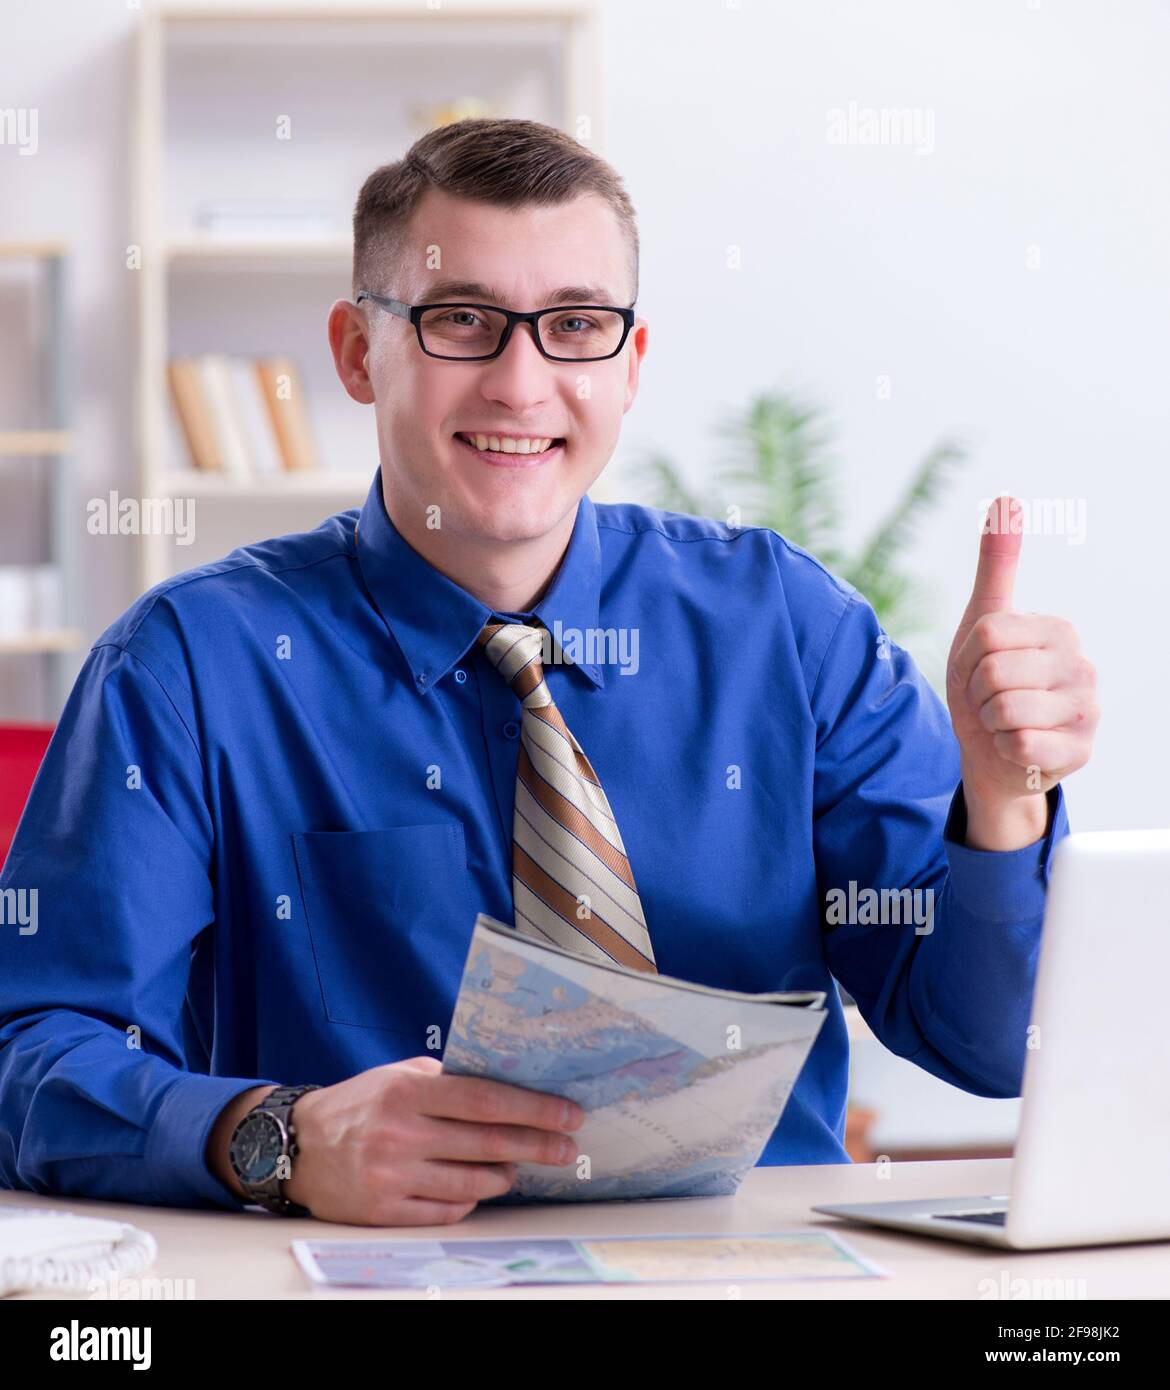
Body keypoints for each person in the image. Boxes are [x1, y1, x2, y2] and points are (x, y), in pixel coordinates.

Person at [0, 118, 1098, 1227]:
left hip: (765, 1282)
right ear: (354, 350)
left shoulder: (787, 628)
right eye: (461, 321)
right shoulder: (190, 667)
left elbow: (996, 1047)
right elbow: (29, 1059)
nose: (521, 385)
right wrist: (281, 1136)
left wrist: (1003, 802)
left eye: (575, 325)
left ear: (629, 364)